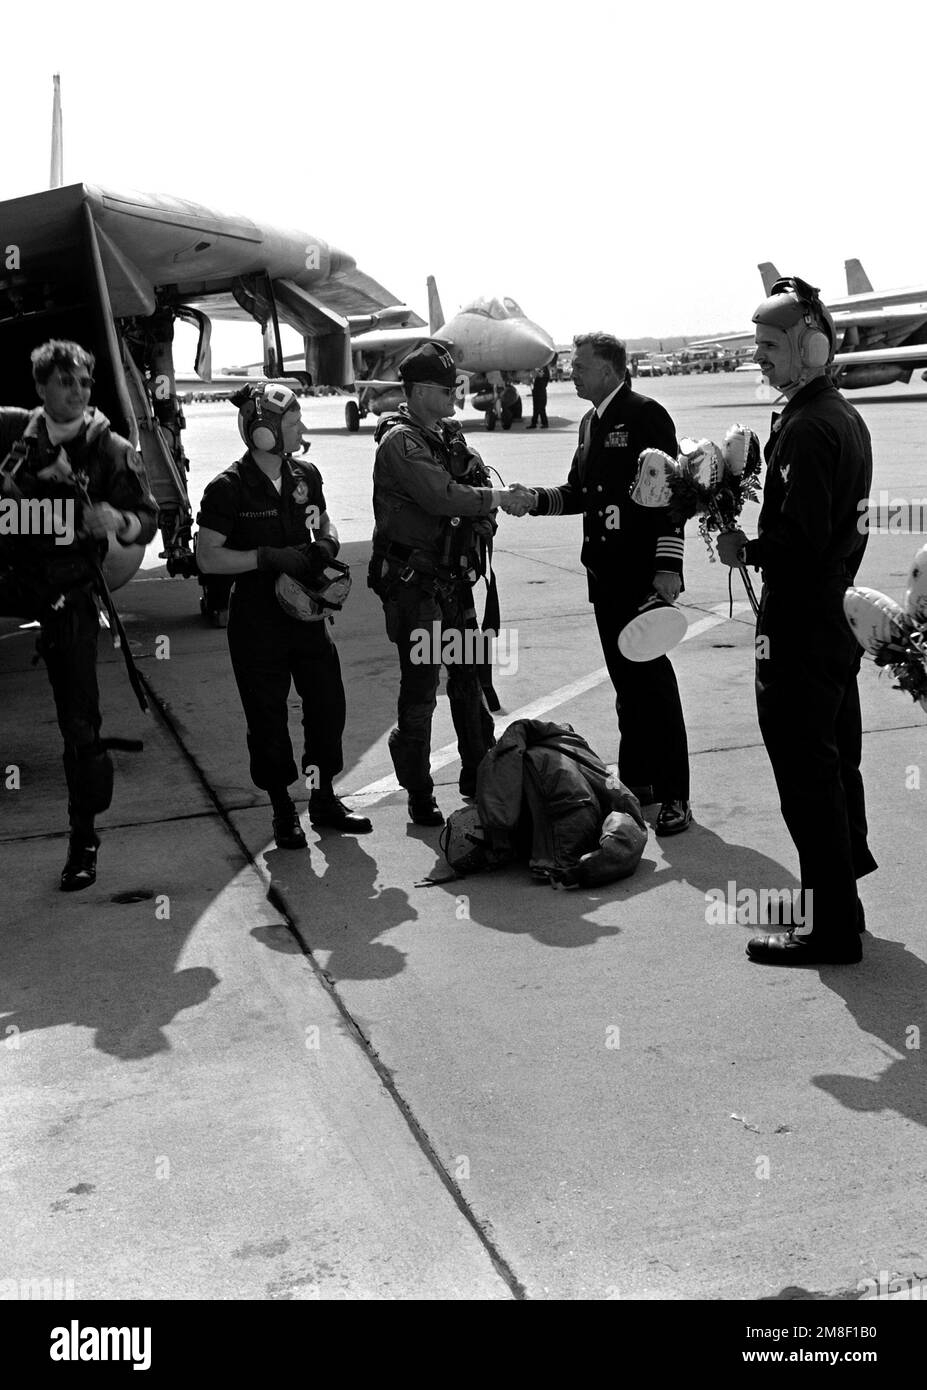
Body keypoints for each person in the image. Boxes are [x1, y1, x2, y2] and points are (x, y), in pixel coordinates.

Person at [718, 276, 877, 965]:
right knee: (832, 764)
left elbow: (802, 539)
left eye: (768, 345)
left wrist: (744, 548)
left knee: (807, 772)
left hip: (803, 622)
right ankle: (834, 899)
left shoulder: (811, 427)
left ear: (809, 346)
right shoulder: (828, 413)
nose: (757, 357)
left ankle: (831, 930)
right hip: (829, 617)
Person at [508, 332, 691, 835]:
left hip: (640, 573)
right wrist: (535, 499)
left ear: (611, 369)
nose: (573, 371)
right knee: (626, 683)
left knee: (653, 683)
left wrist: (668, 566)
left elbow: (675, 496)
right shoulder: (591, 423)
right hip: (603, 573)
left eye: (581, 365)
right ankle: (640, 783)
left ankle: (676, 794)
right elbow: (579, 493)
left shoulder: (645, 413)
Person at [0, 339, 159, 890]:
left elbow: (148, 516)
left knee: (79, 724)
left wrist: (118, 519)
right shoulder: (11, 432)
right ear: (41, 387)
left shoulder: (108, 449)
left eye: (85, 383)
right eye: (66, 381)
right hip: (10, 579)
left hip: (68, 590)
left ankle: (83, 840)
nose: (78, 391)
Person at [196, 382, 371, 847]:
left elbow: (322, 521)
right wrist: (265, 558)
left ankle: (323, 797)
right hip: (256, 622)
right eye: (293, 424)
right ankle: (281, 810)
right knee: (268, 717)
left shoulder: (305, 475)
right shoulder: (227, 489)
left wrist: (328, 542)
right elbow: (208, 557)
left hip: (306, 614)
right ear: (264, 433)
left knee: (326, 706)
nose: (303, 430)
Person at [368, 340, 526, 825]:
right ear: (415, 392)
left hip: (455, 584)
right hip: (416, 588)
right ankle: (418, 790)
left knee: (467, 683)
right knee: (420, 692)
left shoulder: (446, 437)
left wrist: (484, 512)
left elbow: (468, 484)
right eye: (444, 387)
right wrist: (496, 497)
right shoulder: (402, 442)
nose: (455, 393)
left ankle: (478, 774)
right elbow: (441, 496)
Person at [526, 362, 550, 430]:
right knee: (536, 409)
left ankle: (545, 423)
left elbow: (541, 375)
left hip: (541, 392)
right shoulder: (541, 370)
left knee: (541, 408)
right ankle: (534, 423)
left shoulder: (544, 371)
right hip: (536, 391)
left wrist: (536, 371)